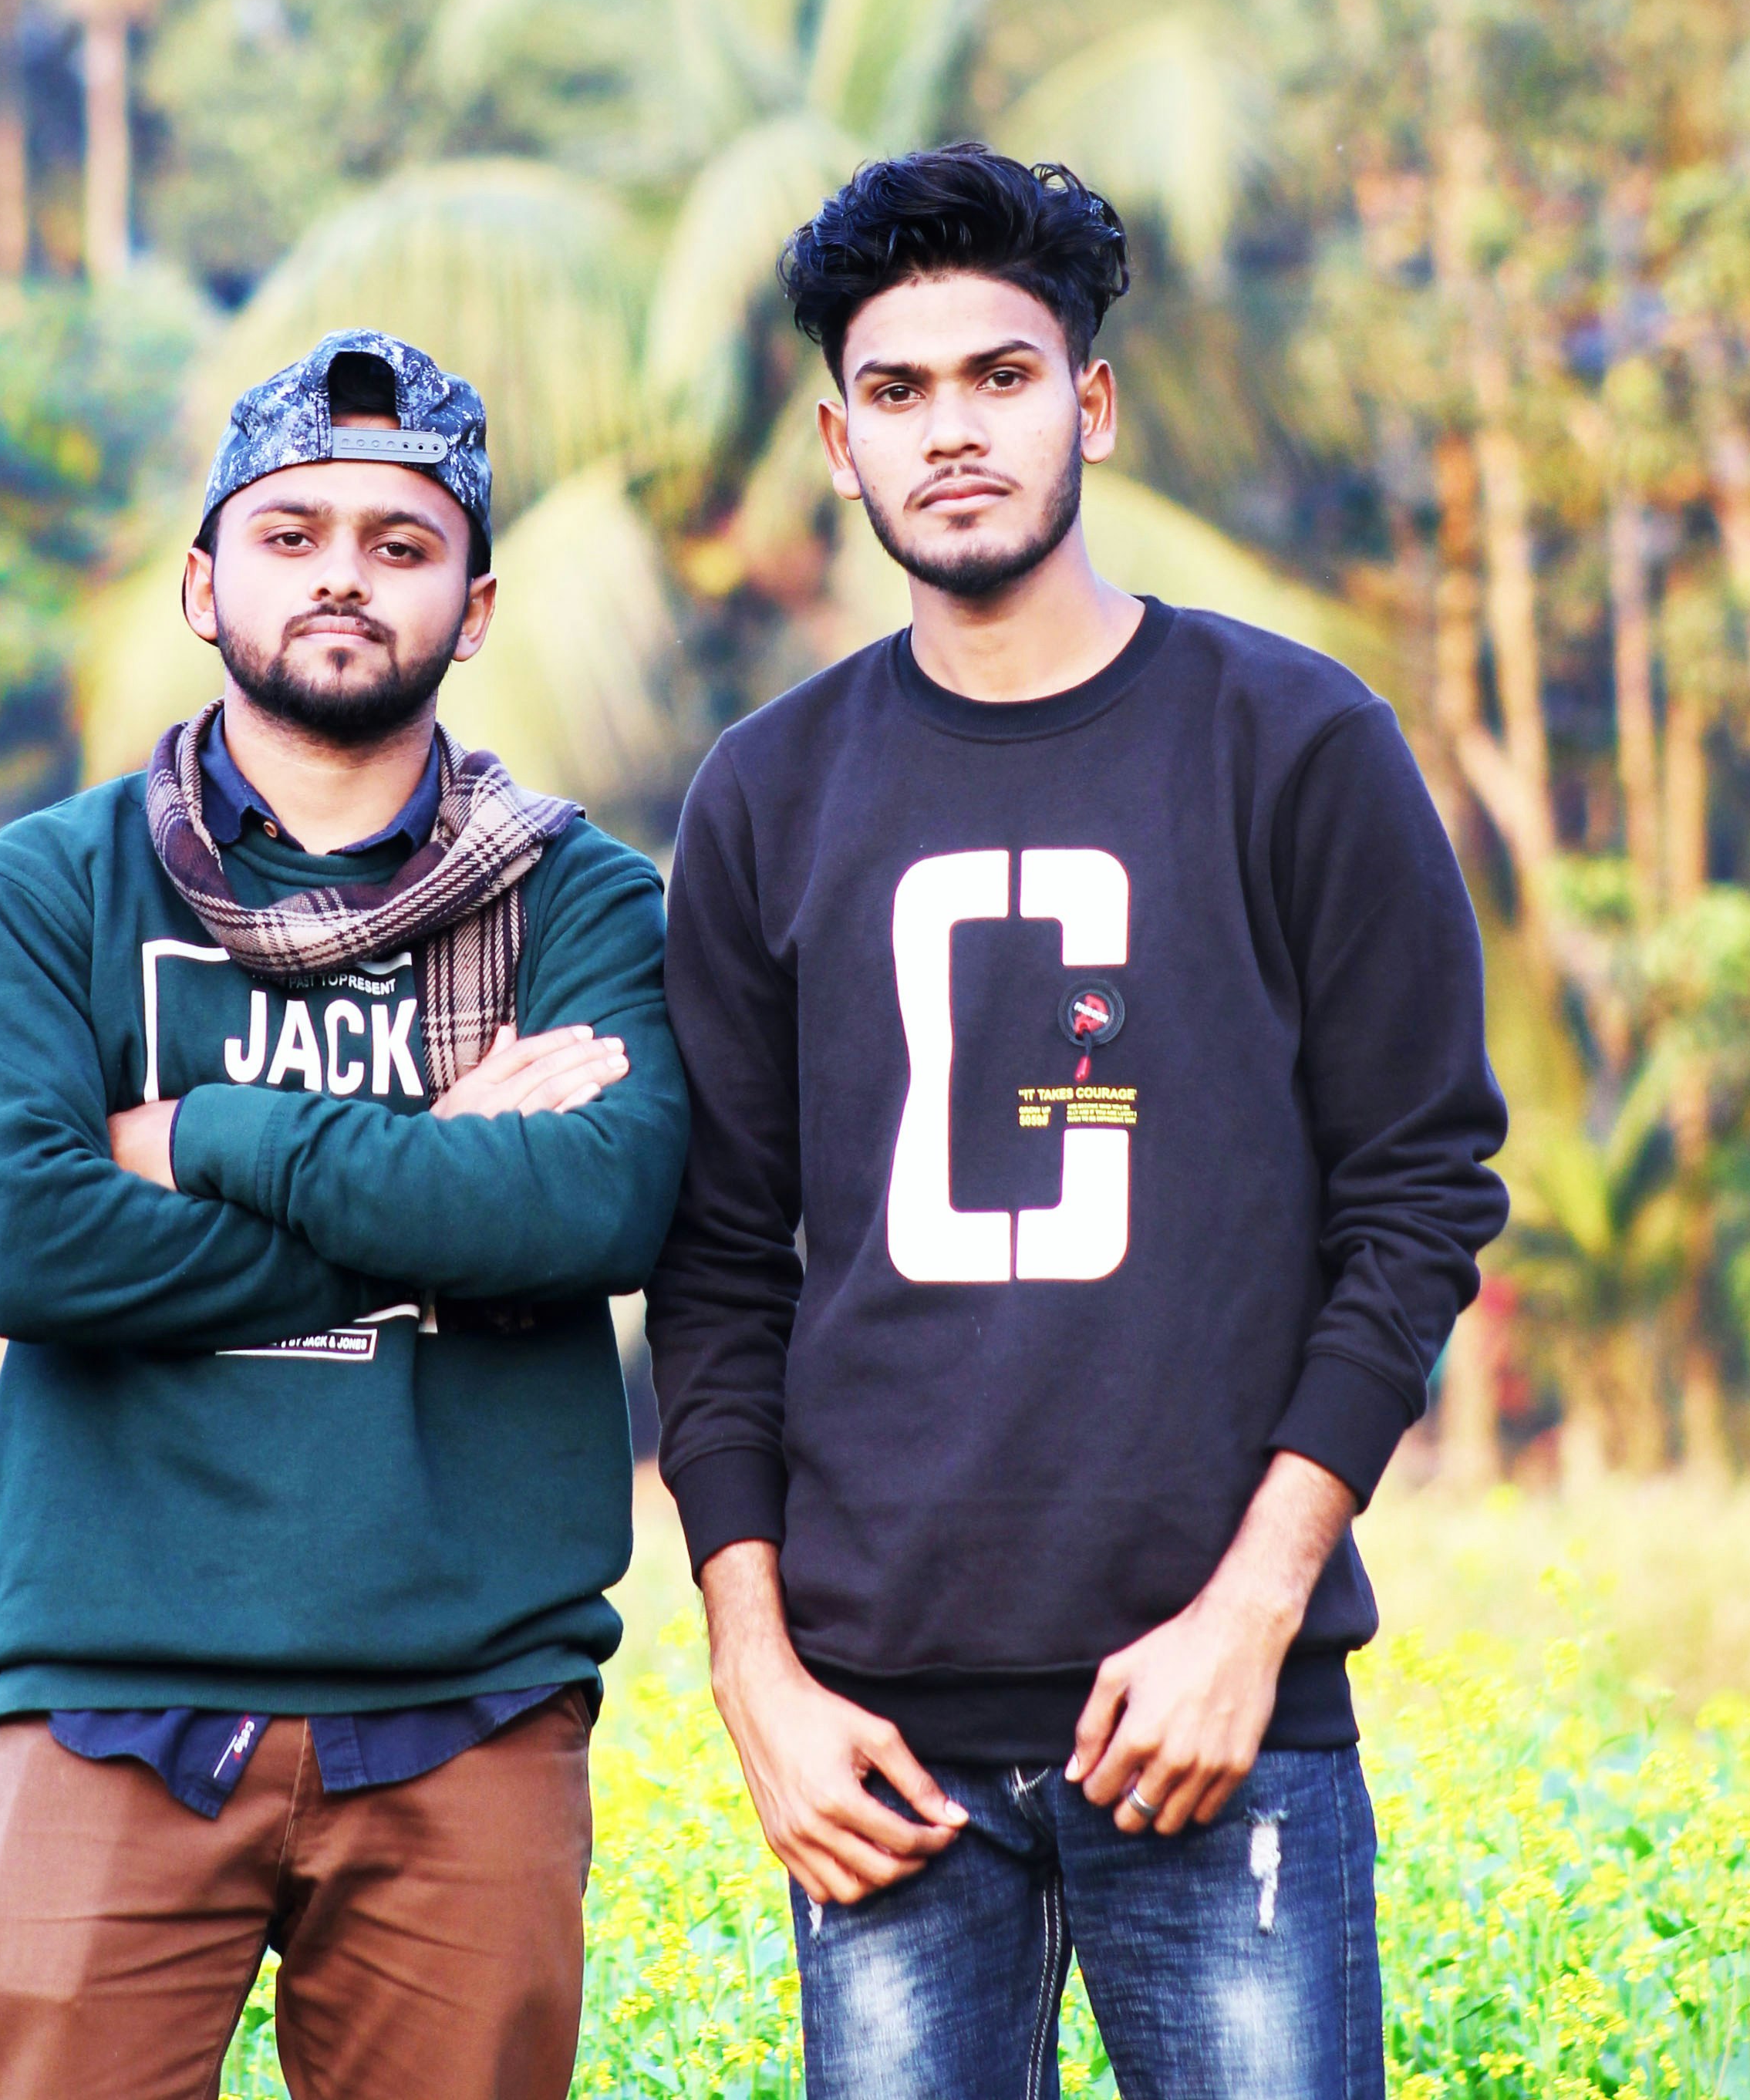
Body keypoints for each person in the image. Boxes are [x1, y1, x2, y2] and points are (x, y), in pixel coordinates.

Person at [645, 146, 1509, 2100]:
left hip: (1222, 1720)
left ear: (1091, 404)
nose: (950, 431)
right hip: (878, 1757)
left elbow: (1415, 1197)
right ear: (837, 444)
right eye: (896, 392)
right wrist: (754, 1677)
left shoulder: (1293, 745)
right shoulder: (764, 795)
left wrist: (1250, 1614)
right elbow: (713, 1268)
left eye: (1000, 375)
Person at [0, 328, 687, 2100]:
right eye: (293, 532)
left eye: (402, 543)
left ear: (475, 607)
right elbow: (30, 1246)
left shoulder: (583, 900)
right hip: (113, 1695)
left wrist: (202, 1126)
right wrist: (442, 1169)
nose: (343, 570)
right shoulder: (48, 890)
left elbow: (601, 1205)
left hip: (472, 1705)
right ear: (205, 583)